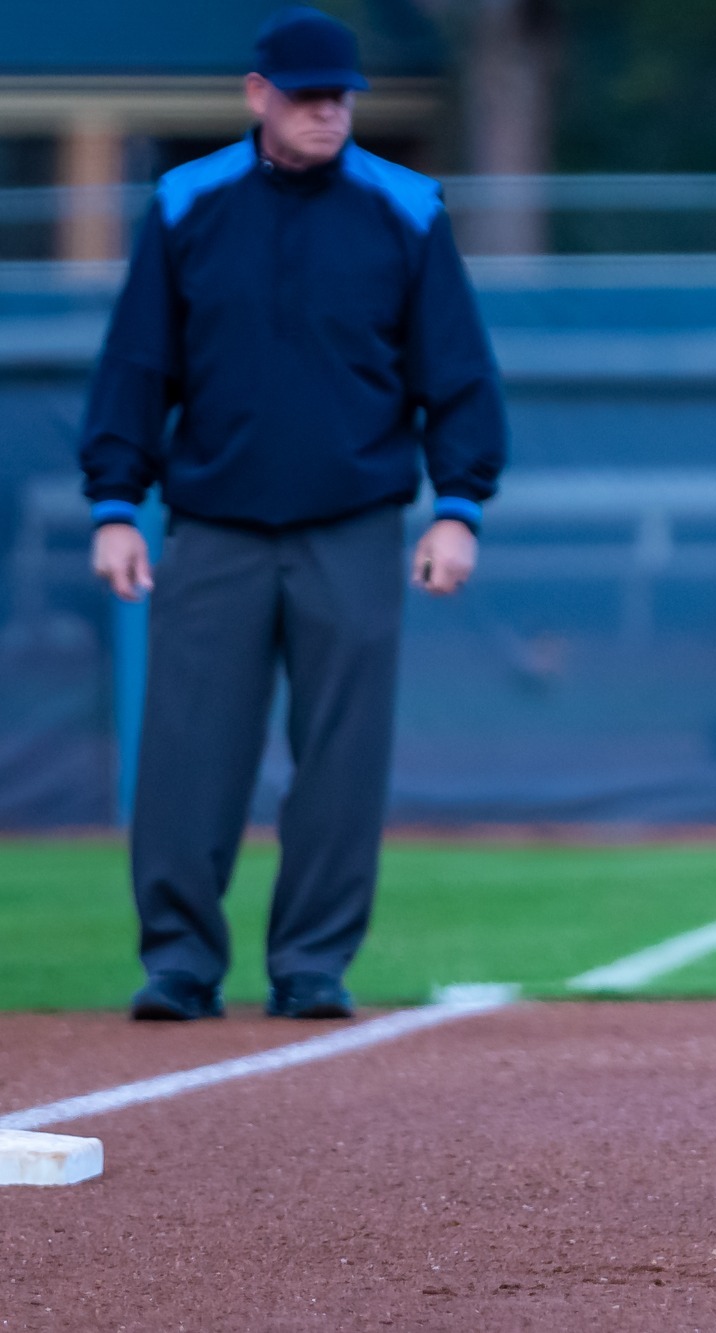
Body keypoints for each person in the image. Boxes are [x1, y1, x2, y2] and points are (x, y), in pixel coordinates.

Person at [79, 7, 506, 1022]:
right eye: (309, 96)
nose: (329, 112)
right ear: (258, 95)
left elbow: (456, 373)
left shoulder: (405, 207)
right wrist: (114, 503)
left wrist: (458, 507)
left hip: (351, 522)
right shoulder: (187, 203)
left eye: (341, 96)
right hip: (214, 524)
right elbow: (137, 364)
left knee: (342, 759)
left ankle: (312, 962)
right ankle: (180, 962)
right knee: (186, 751)